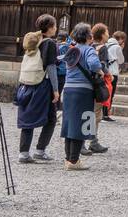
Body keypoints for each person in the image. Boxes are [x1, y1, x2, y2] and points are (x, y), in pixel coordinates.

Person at [14, 14, 60, 163]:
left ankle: (24, 153)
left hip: (26, 84)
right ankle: (40, 150)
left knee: (28, 118)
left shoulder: (34, 41)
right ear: (50, 27)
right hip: (42, 85)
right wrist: (56, 89)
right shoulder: (49, 43)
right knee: (51, 119)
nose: (56, 28)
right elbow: (51, 68)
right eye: (54, 25)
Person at [61, 22, 106, 170]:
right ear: (89, 36)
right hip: (83, 91)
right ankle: (74, 161)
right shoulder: (89, 50)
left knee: (69, 125)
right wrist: (100, 72)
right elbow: (94, 65)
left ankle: (68, 159)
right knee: (82, 125)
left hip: (68, 89)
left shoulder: (71, 50)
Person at [84, 23, 112, 154]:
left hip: (88, 83)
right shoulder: (103, 48)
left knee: (88, 113)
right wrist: (108, 73)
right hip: (98, 84)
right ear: (101, 35)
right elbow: (101, 64)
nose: (108, 34)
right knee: (96, 114)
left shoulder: (89, 46)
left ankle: (88, 141)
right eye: (106, 32)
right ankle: (91, 142)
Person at [98, 26, 125, 123]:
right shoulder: (117, 47)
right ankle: (106, 115)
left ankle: (102, 113)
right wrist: (121, 49)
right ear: (120, 39)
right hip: (113, 73)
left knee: (104, 92)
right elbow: (121, 60)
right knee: (110, 94)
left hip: (105, 71)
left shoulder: (106, 45)